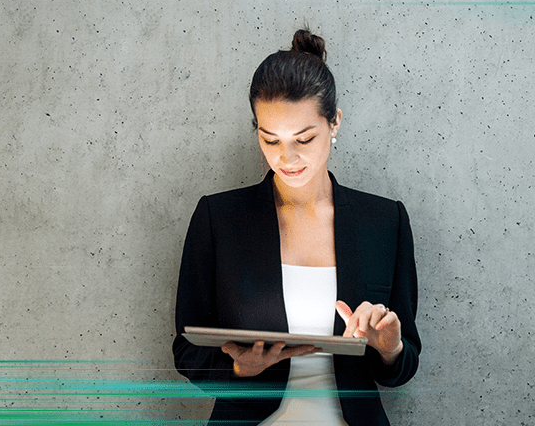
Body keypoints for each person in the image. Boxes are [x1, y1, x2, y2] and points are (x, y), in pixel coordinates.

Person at [172, 29, 421, 425]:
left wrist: (390, 348)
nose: (287, 158)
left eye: (304, 139)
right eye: (270, 140)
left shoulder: (384, 221)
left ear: (334, 122)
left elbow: (403, 364)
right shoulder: (219, 219)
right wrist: (241, 370)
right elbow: (186, 350)